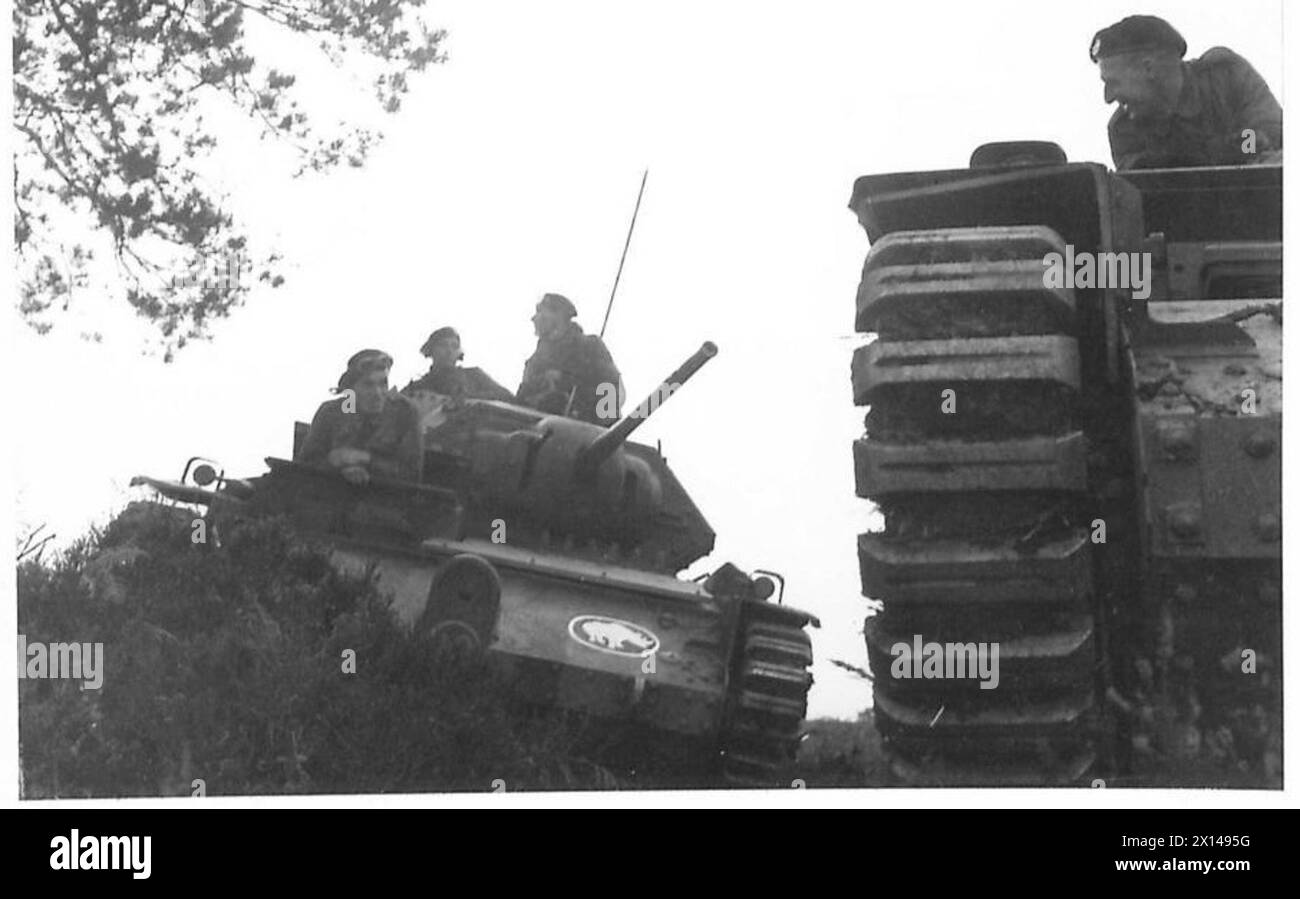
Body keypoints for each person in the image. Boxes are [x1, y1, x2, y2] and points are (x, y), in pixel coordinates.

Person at [1090, 15, 1282, 170]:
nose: (1108, 97)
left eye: (1114, 83)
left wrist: (1235, 147)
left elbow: (1270, 134)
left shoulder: (1225, 78)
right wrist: (1226, 150)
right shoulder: (1124, 130)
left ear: (1149, 69)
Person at [297, 349, 422, 484]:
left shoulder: (404, 412)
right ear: (351, 390)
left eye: (383, 384)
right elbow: (305, 464)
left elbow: (411, 472)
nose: (378, 393)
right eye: (368, 385)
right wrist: (335, 465)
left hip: (387, 498)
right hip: (331, 492)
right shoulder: (331, 412)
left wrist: (365, 459)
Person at [516, 293, 624, 426]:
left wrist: (565, 382)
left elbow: (610, 390)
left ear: (559, 316)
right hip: (533, 430)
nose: (534, 318)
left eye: (540, 311)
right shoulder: (535, 361)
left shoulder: (589, 347)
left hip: (578, 431)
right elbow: (521, 399)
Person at [401, 326, 515, 402]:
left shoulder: (474, 375)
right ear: (431, 350)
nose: (449, 351)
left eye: (454, 346)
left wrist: (468, 398)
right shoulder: (417, 387)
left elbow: (507, 396)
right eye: (443, 345)